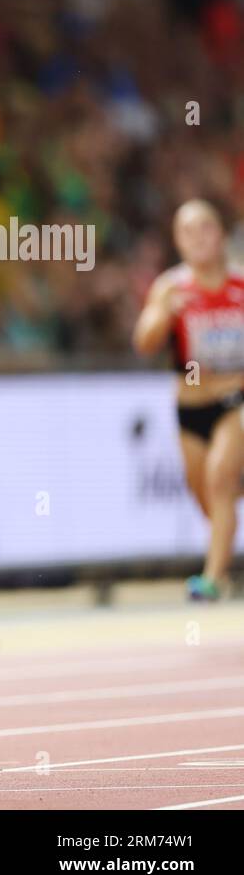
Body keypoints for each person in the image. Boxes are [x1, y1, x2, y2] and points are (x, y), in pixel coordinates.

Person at [133, 198, 244, 601]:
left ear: (220, 235)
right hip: (190, 407)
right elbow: (144, 342)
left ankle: (211, 579)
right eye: (187, 231)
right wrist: (163, 314)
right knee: (206, 496)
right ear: (178, 241)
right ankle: (227, 559)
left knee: (220, 478)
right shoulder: (171, 287)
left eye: (205, 229)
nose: (198, 238)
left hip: (235, 401)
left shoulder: (240, 285)